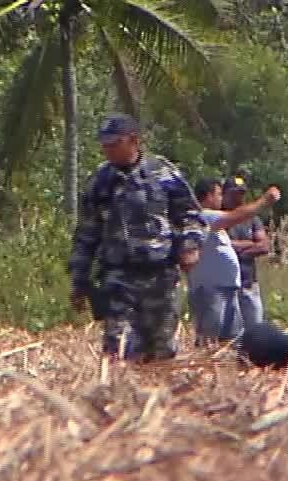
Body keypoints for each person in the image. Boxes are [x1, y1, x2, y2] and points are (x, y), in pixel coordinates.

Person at [68, 114, 208, 362]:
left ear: (133, 140)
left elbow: (191, 215)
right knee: (118, 350)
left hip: (160, 277)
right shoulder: (100, 181)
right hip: (118, 278)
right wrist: (79, 280)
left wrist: (190, 245)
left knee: (161, 351)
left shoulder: (163, 173)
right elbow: (86, 234)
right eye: (104, 144)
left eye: (114, 143)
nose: (107, 150)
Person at [188, 178, 282, 345]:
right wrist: (264, 201)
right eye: (219, 194)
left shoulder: (214, 219)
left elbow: (263, 245)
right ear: (208, 196)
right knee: (210, 341)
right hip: (211, 291)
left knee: (232, 341)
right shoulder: (203, 216)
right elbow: (235, 216)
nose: (221, 198)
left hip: (226, 288)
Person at [222, 174, 271, 327]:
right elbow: (221, 245)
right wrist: (250, 244)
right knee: (230, 332)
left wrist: (236, 249)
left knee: (256, 328)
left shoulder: (252, 218)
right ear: (225, 194)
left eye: (241, 193)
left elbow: (264, 246)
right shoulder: (219, 217)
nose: (239, 198)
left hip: (248, 283)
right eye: (235, 194)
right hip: (225, 286)